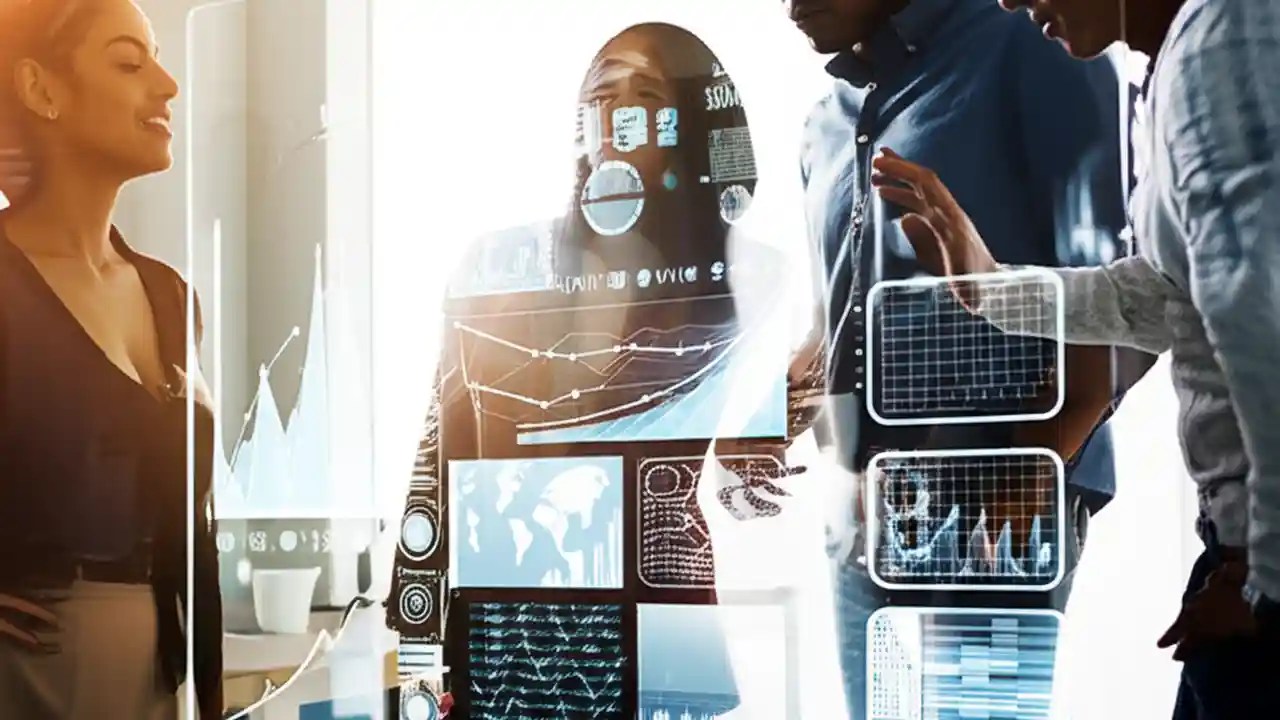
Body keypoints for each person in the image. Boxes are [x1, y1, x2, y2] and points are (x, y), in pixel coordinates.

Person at [870, 0, 1280, 716]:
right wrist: (992, 288)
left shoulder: (1219, 44)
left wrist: (1270, 586)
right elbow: (1164, 298)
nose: (1009, 1)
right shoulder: (1185, 56)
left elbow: (1263, 324)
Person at [386, 22, 798, 718]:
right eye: (601, 97)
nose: (618, 118)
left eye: (646, 96)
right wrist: (415, 662)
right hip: (514, 648)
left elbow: (754, 483)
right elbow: (436, 466)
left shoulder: (747, 279)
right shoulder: (498, 265)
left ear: (693, 123)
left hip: (662, 631)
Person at [781, 0, 1150, 715]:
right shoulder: (825, 120)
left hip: (995, 509)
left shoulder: (1036, 42)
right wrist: (773, 416)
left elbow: (1129, 285)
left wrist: (1040, 458)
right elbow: (842, 318)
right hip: (863, 514)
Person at [0, 0, 222, 717]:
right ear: (41, 90)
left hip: (163, 674)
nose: (167, 84)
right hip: (33, 677)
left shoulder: (169, 295)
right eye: (129, 61)